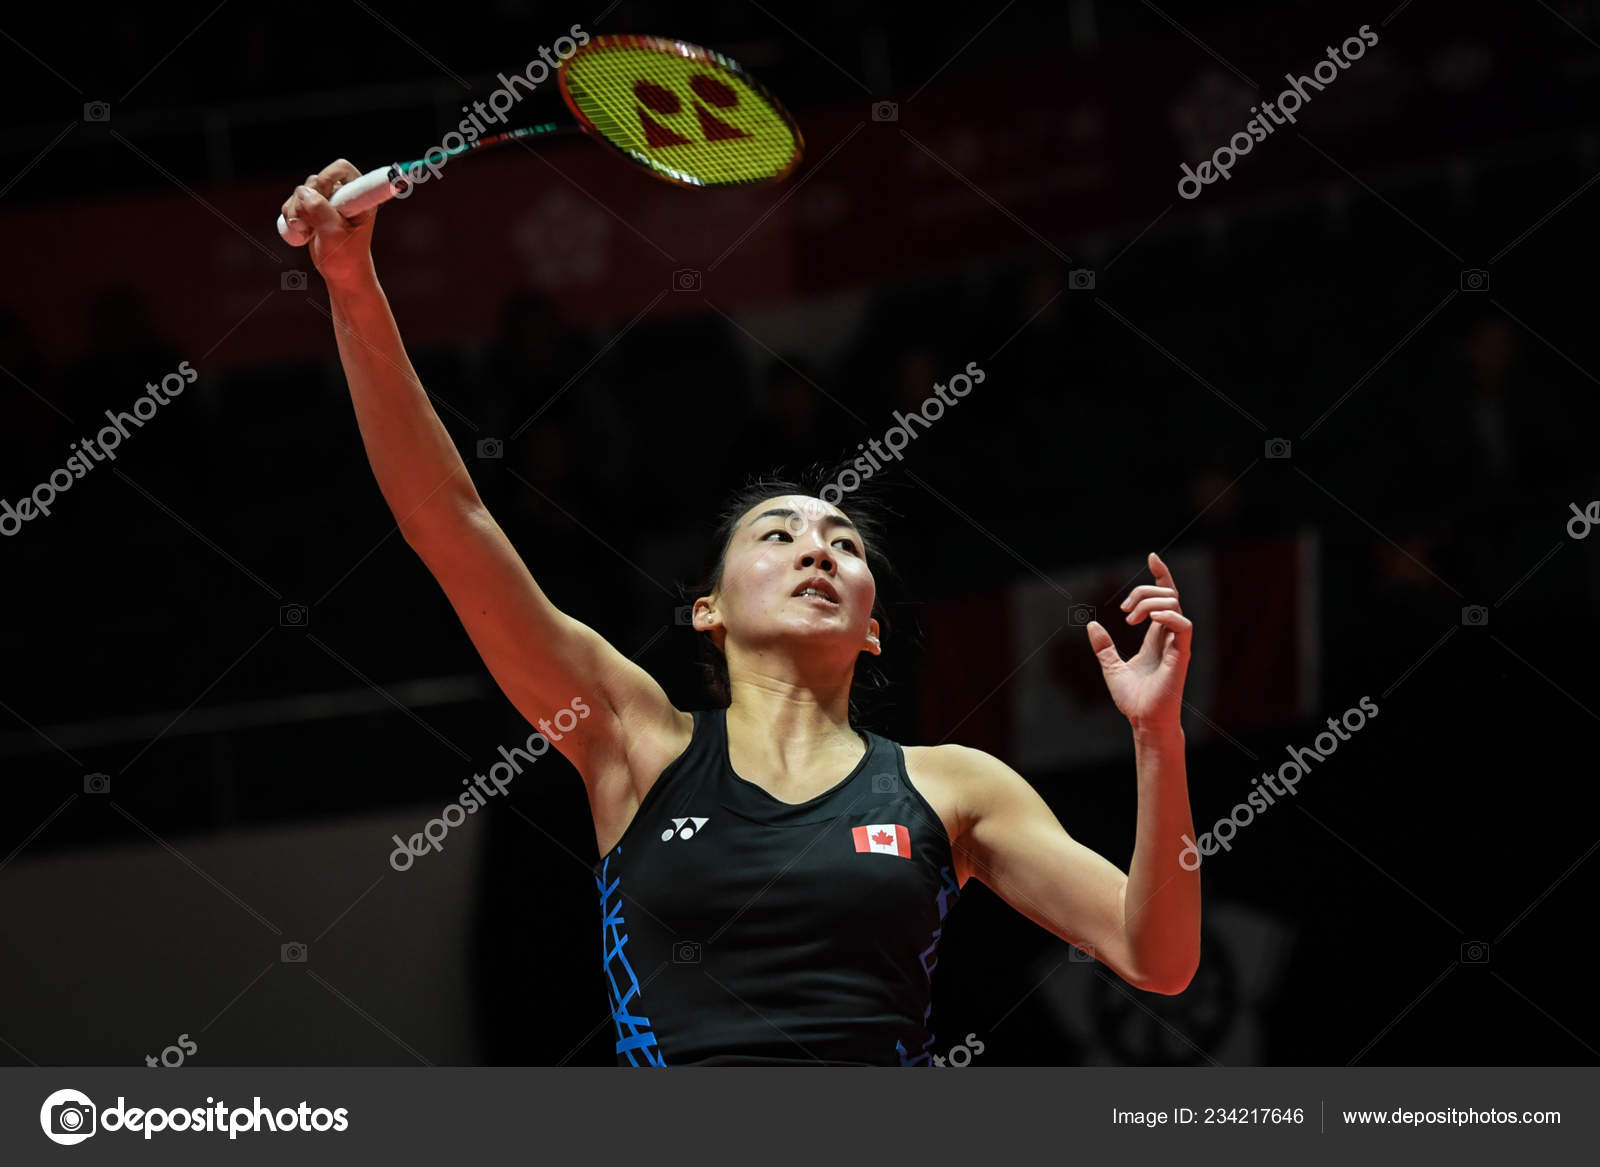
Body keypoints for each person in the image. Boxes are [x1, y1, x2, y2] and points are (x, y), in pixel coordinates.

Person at [280, 161, 1202, 1067]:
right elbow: (449, 521)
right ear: (708, 611)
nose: (817, 550)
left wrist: (1158, 737)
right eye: (778, 534)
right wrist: (353, 284)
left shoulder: (954, 787)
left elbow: (1155, 958)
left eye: (845, 544)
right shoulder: (634, 745)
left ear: (871, 625)